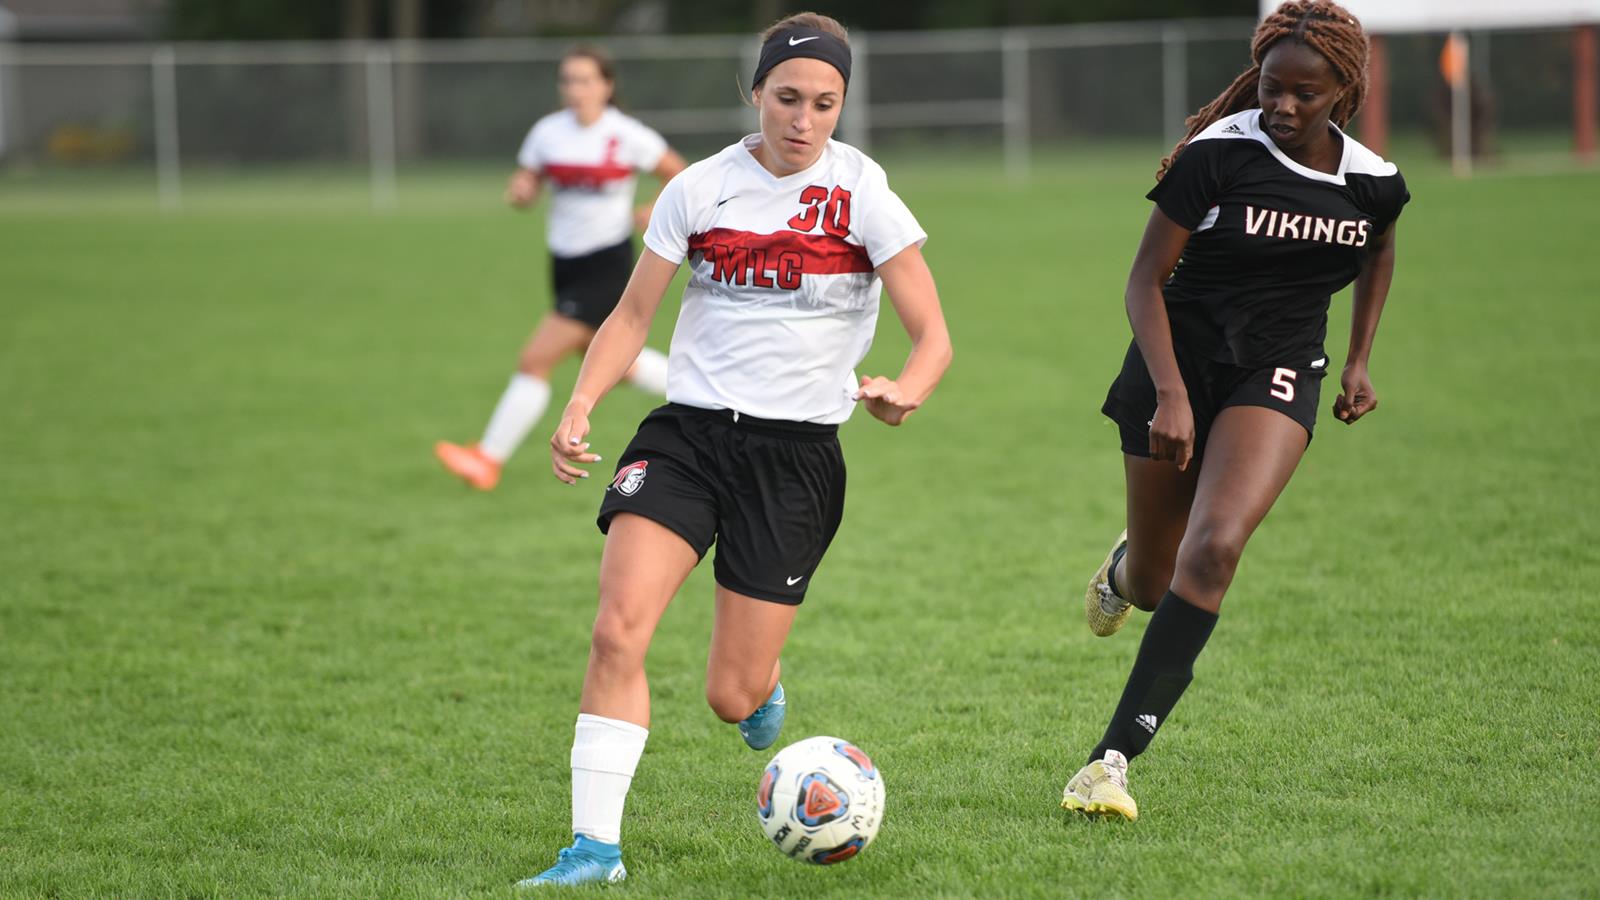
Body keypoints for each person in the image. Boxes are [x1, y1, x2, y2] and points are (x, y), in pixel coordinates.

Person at [517, 12, 952, 887]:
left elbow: (933, 334)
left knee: (731, 695)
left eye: (825, 104)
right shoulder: (701, 188)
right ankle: (594, 852)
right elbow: (634, 315)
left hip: (794, 460)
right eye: (787, 98)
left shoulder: (865, 193)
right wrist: (580, 400)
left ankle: (765, 687)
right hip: (689, 437)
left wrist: (907, 389)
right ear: (755, 93)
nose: (804, 120)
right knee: (616, 632)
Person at [1062, 0, 1409, 821]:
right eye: (1271, 87)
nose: (1283, 107)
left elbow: (1381, 245)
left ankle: (1107, 763)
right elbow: (1142, 281)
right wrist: (1174, 394)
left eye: (1306, 95)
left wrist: (1359, 357)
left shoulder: (1373, 181)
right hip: (1170, 366)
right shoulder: (1216, 155)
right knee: (1154, 581)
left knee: (1214, 551)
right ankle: (1121, 570)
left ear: (1345, 92)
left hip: (1279, 370)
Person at [435, 46, 687, 490]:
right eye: (568, 80)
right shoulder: (548, 133)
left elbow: (679, 176)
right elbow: (528, 181)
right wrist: (522, 191)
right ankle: (704, 390)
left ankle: (487, 460)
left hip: (606, 262)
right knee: (617, 364)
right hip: (564, 263)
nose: (576, 89)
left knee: (535, 360)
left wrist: (653, 207)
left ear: (606, 86)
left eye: (586, 80)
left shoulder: (626, 134)